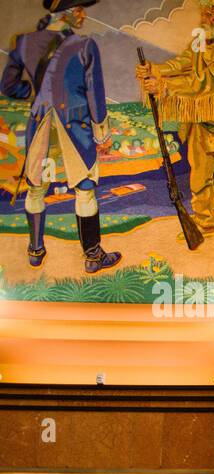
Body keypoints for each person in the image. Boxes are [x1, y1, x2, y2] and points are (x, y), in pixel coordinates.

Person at [2, 0, 122, 273]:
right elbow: (95, 94)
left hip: (39, 125)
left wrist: (33, 96)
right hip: (75, 129)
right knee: (84, 189)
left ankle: (35, 252)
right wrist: (102, 133)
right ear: (66, 12)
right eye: (79, 7)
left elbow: (8, 86)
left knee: (36, 188)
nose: (83, 14)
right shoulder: (84, 45)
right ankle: (92, 257)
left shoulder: (23, 42)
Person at [135, 0, 214, 261]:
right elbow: (184, 63)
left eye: (211, 12)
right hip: (199, 124)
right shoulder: (201, 40)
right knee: (199, 180)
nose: (205, 16)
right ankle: (205, 223)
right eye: (204, 11)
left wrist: (164, 87)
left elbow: (205, 83)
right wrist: (156, 69)